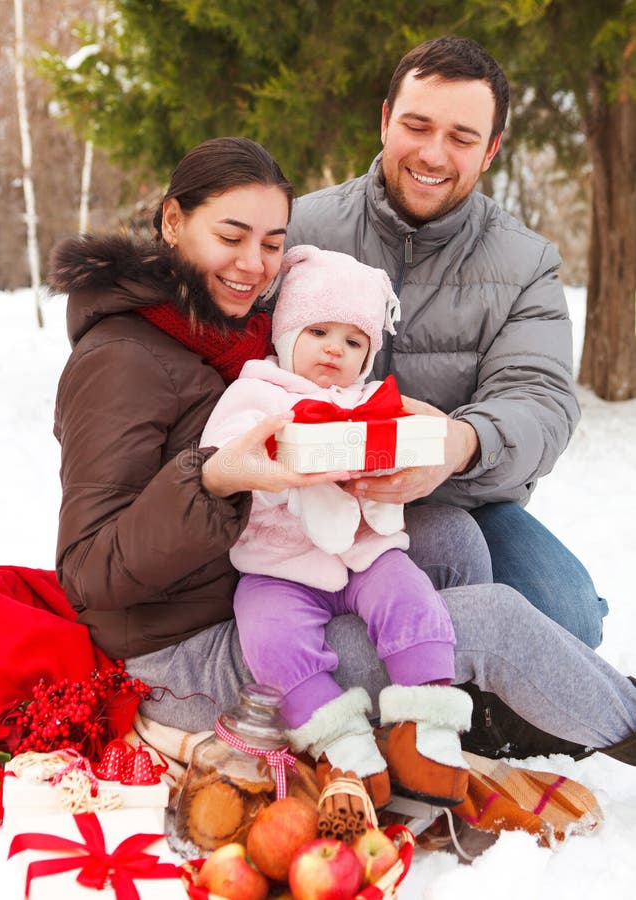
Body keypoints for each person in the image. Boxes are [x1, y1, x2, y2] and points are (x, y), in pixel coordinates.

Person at [47, 136, 636, 786]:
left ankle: (432, 735)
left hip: (246, 578)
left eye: (272, 243)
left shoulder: (227, 327)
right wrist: (214, 478)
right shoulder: (120, 361)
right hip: (189, 655)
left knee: (450, 536)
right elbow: (87, 576)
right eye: (232, 236)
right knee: (493, 620)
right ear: (172, 220)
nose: (253, 264)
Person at [285, 35, 608, 656]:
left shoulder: (526, 261)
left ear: (490, 151)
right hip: (308, 496)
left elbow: (540, 400)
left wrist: (461, 443)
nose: (434, 154)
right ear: (385, 121)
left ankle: (454, 677)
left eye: (461, 137)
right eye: (417, 125)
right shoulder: (302, 230)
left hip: (460, 493)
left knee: (567, 621)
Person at [201, 243, 471, 810]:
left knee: (410, 595)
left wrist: (418, 443)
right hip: (278, 563)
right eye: (318, 331)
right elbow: (223, 451)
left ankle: (425, 723)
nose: (334, 350)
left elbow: (419, 436)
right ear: (285, 336)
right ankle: (337, 738)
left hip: (363, 550)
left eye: (353, 342)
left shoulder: (373, 398)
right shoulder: (257, 391)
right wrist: (254, 464)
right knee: (267, 636)